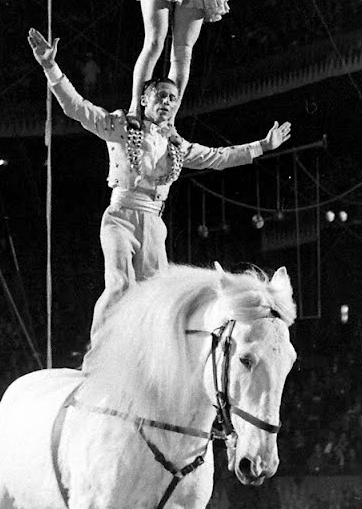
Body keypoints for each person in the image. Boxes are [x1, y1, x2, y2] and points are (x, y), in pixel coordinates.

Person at [28, 28, 290, 338]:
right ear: (145, 100)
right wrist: (50, 67)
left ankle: (149, 354)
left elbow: (218, 157)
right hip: (121, 216)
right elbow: (77, 108)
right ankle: (95, 353)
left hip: (153, 222)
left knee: (157, 295)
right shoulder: (121, 126)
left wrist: (261, 146)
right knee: (120, 285)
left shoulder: (177, 145)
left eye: (172, 98)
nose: (166, 102)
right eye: (160, 96)